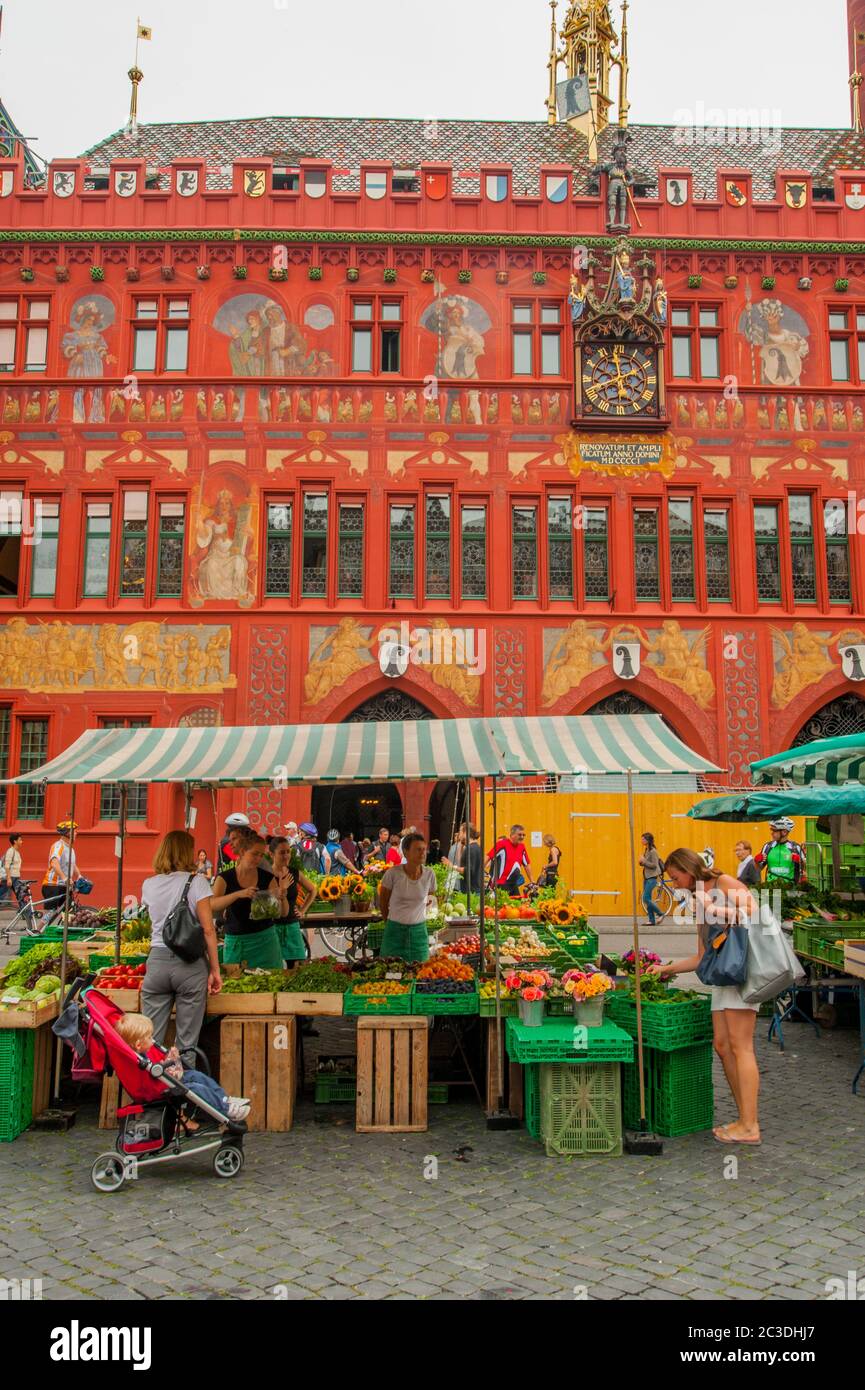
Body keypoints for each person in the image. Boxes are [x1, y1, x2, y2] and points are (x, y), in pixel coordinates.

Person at [647, 848, 761, 1145]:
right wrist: (666, 969)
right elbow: (701, 956)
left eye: (676, 877)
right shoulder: (697, 900)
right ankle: (742, 1117)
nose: (675, 884)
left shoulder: (723, 884)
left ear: (689, 869)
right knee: (722, 1046)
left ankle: (750, 1125)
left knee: (741, 1046)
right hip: (723, 975)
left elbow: (754, 912)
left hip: (743, 970)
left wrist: (714, 909)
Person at [140, 830, 222, 1068]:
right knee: (186, 1043)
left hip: (156, 962)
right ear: (187, 852)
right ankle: (182, 1095)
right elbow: (208, 930)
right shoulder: (197, 882)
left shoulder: (149, 884)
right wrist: (214, 970)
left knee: (150, 1041)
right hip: (189, 964)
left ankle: (151, 1091)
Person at [114, 1013, 250, 1125]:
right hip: (158, 1089)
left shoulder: (141, 1054)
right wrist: (170, 1064)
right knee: (195, 1088)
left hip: (163, 1081)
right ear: (138, 1044)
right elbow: (154, 1075)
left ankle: (224, 1099)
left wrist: (170, 1061)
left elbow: (159, 1070)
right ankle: (225, 1109)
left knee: (196, 1075)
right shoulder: (139, 1059)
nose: (152, 1040)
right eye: (149, 1037)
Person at [211, 831, 287, 969]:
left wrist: (280, 898)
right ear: (242, 851)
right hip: (237, 942)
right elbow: (213, 905)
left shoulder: (267, 877)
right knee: (236, 985)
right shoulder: (224, 878)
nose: (258, 859)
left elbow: (281, 913)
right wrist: (237, 894)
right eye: (254, 854)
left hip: (266, 941)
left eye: (261, 855)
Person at [378, 833, 436, 963]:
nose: (423, 853)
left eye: (424, 849)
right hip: (394, 932)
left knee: (421, 973)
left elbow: (431, 898)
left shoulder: (429, 874)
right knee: (391, 973)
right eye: (418, 849)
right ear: (406, 852)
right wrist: (389, 922)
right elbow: (383, 902)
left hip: (419, 933)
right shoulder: (392, 874)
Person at [269, 837, 318, 966]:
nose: (286, 856)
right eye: (282, 852)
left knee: (297, 966)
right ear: (272, 854)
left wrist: (302, 910)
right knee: (273, 968)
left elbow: (313, 890)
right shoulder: (265, 874)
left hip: (292, 926)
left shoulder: (294, 873)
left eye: (288, 852)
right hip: (271, 927)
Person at [43, 820, 84, 909]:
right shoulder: (58, 846)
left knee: (68, 912)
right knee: (50, 914)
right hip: (53, 885)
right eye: (74, 831)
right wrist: (64, 878)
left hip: (65, 886)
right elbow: (54, 863)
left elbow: (72, 864)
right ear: (67, 833)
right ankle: (42, 924)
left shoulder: (70, 849)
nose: (76, 833)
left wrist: (79, 876)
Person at [755, 818, 805, 887]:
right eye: (771, 830)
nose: (771, 833)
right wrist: (756, 862)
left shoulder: (795, 848)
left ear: (784, 832)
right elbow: (758, 869)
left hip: (790, 890)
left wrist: (800, 861)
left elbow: (805, 869)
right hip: (770, 888)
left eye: (774, 830)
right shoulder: (768, 846)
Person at [488, 825, 531, 895]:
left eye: (523, 835)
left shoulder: (522, 847)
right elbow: (488, 857)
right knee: (502, 905)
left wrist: (532, 881)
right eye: (519, 835)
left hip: (514, 884)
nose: (522, 837)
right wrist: (479, 872)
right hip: (501, 884)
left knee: (518, 904)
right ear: (512, 835)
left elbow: (527, 865)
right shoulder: (502, 844)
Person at [639, 833, 665, 926]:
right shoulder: (647, 850)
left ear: (648, 840)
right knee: (648, 898)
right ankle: (651, 920)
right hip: (646, 877)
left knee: (645, 898)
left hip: (652, 877)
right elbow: (646, 863)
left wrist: (644, 861)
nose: (641, 841)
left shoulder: (653, 851)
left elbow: (654, 865)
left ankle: (660, 913)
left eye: (643, 839)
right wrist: (641, 862)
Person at [0, 833, 26, 910]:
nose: (22, 841)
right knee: (2, 893)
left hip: (15, 877)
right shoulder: (11, 851)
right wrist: (8, 878)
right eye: (20, 840)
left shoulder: (16, 852)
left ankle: (25, 912)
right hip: (10, 877)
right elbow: (6, 866)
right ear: (15, 841)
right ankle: (25, 912)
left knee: (20, 895)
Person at [461, 825, 483, 901]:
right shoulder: (476, 847)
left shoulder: (471, 849)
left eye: (461, 831)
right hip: (475, 890)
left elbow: (469, 871)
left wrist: (452, 866)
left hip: (471, 892)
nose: (459, 835)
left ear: (465, 833)